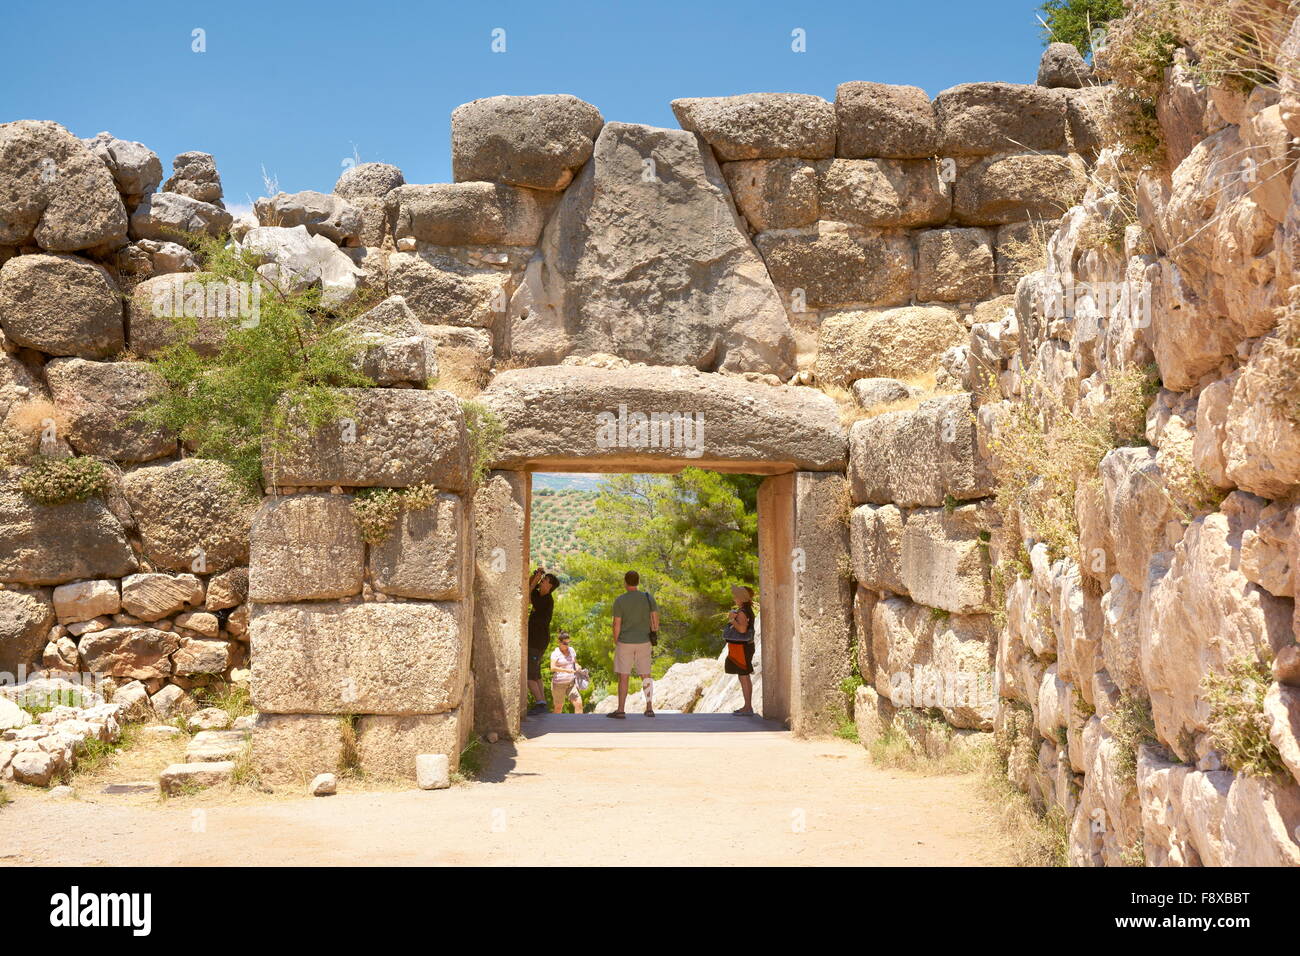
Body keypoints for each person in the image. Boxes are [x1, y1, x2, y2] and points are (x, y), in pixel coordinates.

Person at [606, 570, 658, 719]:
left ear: (625, 582)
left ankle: (621, 710)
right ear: (638, 581)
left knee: (624, 676)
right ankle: (649, 708)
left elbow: (616, 624)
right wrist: (651, 633)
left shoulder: (620, 600)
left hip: (625, 642)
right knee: (646, 675)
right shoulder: (648, 598)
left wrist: (617, 641)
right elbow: (655, 620)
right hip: (644, 641)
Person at [527, 568, 560, 715]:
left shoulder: (545, 600)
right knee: (537, 674)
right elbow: (529, 588)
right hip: (538, 641)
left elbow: (527, 593)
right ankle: (543, 702)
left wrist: (535, 580)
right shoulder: (540, 596)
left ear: (550, 586)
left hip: (536, 641)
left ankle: (540, 703)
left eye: (545, 580)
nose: (542, 581)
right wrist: (535, 576)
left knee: (529, 675)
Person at [724, 584, 757, 715]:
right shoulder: (746, 610)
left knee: (743, 677)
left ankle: (747, 707)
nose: (734, 598)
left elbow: (742, 629)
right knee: (744, 676)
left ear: (742, 598)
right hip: (744, 648)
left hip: (741, 649)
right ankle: (747, 706)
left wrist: (732, 620)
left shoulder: (743, 612)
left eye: (736, 596)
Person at [549, 632, 585, 714]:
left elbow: (575, 662)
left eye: (568, 643)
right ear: (559, 642)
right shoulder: (555, 653)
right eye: (565, 643)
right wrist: (566, 671)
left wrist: (578, 666)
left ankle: (579, 725)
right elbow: (552, 667)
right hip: (558, 685)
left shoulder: (572, 650)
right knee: (558, 708)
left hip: (571, 684)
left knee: (578, 704)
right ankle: (554, 725)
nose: (567, 645)